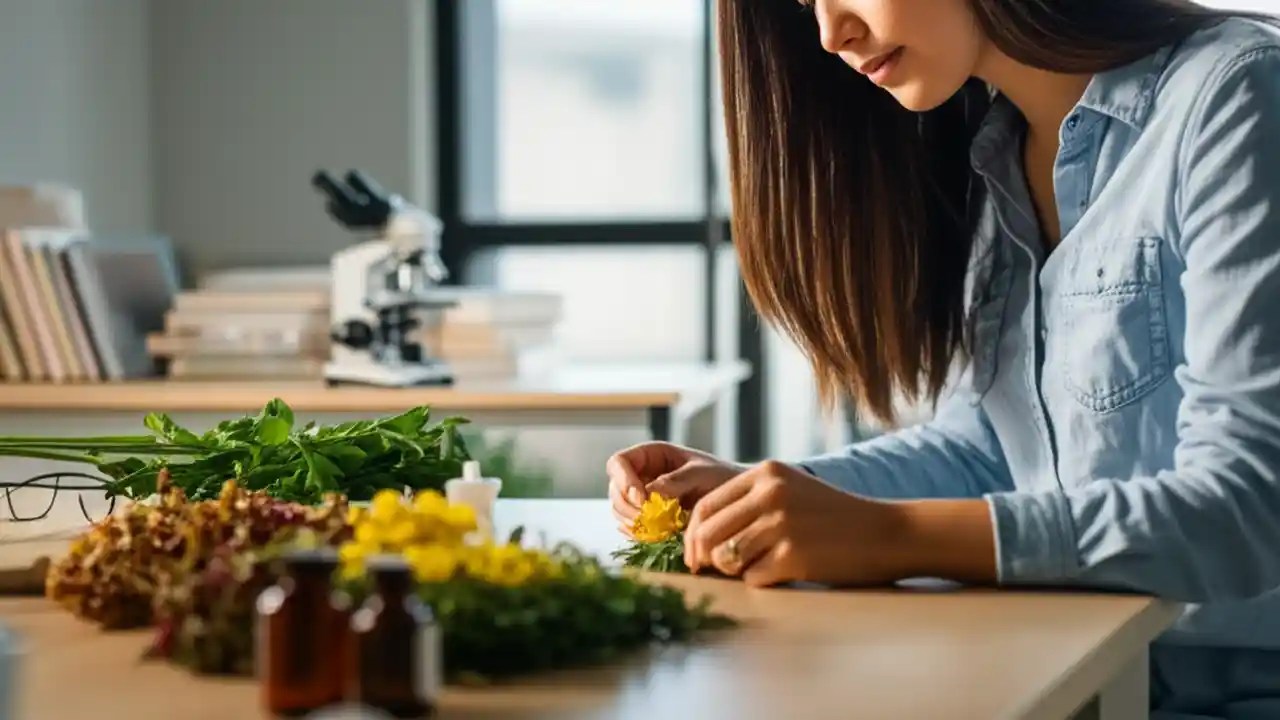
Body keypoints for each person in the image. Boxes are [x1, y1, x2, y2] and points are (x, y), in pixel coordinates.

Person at [605, 1, 1280, 716]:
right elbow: (989, 449)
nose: (832, 34)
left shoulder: (1236, 96)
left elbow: (1249, 504)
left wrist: (892, 537)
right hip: (1081, 678)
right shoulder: (1001, 151)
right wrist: (766, 497)